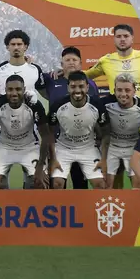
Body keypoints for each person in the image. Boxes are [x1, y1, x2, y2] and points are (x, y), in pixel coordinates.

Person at [43, 47, 98, 190]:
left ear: (80, 63)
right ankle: (59, 211)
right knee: (57, 183)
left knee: (80, 183)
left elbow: (95, 111)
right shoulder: (51, 79)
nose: (71, 63)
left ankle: (81, 211)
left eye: (74, 60)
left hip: (83, 142)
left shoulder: (90, 84)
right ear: (61, 64)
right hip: (57, 143)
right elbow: (34, 79)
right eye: (67, 60)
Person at [0, 75, 52, 189]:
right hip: (4, 146)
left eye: (18, 89)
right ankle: (5, 204)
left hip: (29, 146)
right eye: (10, 89)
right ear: (5, 90)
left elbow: (45, 136)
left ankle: (26, 199)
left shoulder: (34, 105)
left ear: (24, 89)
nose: (14, 93)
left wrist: (40, 168)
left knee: (39, 183)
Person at [49, 71, 108, 189]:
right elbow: (49, 134)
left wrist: (104, 159)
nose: (77, 90)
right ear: (68, 88)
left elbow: (106, 133)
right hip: (63, 148)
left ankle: (88, 208)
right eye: (73, 87)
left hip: (88, 148)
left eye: (81, 86)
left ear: (87, 87)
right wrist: (53, 158)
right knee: (57, 184)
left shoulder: (97, 105)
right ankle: (60, 207)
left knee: (100, 185)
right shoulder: (58, 106)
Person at [100, 74, 140, 189]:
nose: (123, 94)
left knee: (139, 186)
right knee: (107, 186)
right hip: (112, 147)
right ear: (114, 90)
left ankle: (136, 207)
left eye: (127, 90)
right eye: (119, 90)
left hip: (134, 147)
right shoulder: (104, 103)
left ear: (134, 91)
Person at [0, 30, 46, 95]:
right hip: (4, 105)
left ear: (25, 47)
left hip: (27, 105)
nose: (16, 47)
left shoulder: (36, 69)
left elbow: (44, 93)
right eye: (13, 44)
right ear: (7, 47)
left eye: (19, 44)